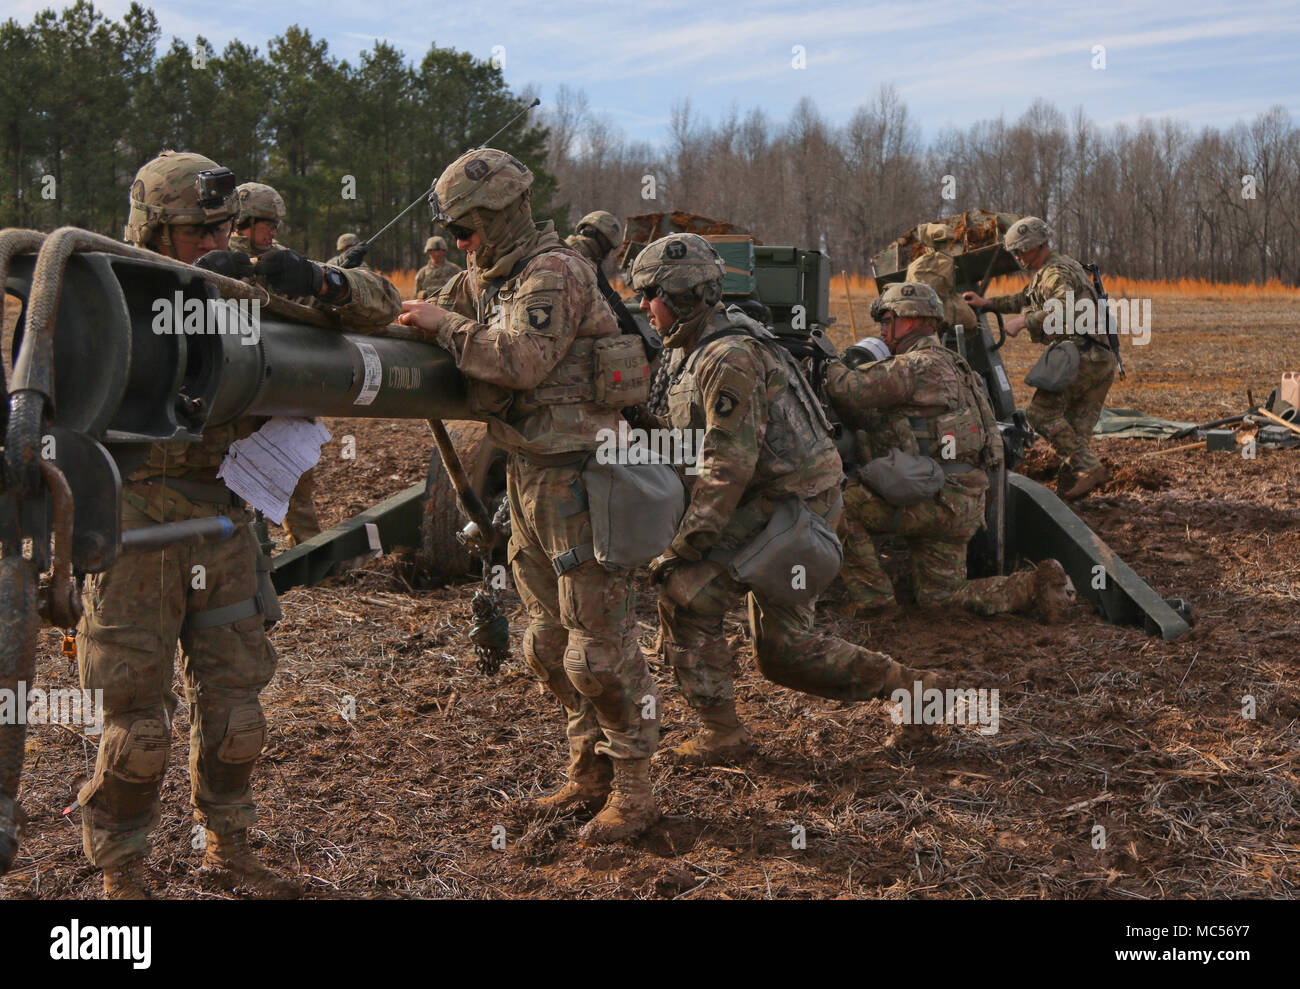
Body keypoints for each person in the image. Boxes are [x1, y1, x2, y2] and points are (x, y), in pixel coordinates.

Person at [77, 151, 398, 899]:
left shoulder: (241, 287)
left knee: (238, 713)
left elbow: (378, 306)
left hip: (223, 522)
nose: (217, 243)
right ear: (154, 230)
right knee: (137, 729)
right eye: (199, 231)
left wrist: (315, 281)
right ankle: (123, 870)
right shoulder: (104, 292)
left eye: (225, 227)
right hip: (136, 531)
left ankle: (230, 843)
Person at [388, 149, 660, 844]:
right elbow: (420, 314)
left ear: (501, 217)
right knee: (547, 644)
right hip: (531, 474)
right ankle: (588, 768)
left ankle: (636, 789)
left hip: (583, 478)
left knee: (600, 651)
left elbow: (518, 360)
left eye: (469, 231)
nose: (460, 246)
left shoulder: (553, 272)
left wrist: (443, 327)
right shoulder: (492, 274)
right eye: (455, 234)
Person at [626, 234, 948, 764]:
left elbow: (727, 467)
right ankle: (916, 690)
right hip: (781, 495)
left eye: (651, 294)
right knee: (785, 654)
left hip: (789, 504)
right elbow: (696, 434)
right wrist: (641, 423)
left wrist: (683, 547)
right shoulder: (696, 346)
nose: (643, 306)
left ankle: (721, 735)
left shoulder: (727, 355)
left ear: (682, 296)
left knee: (686, 595)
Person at [822, 281, 1071, 620]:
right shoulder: (957, 366)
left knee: (840, 505)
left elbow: (847, 389)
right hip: (963, 505)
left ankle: (874, 602)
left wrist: (825, 357)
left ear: (908, 320)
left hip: (932, 503)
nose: (881, 330)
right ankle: (1033, 587)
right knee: (941, 598)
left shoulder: (915, 366)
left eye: (886, 321)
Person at [962, 217, 1116, 499]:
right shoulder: (1057, 268)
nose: (1019, 258)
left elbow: (1064, 310)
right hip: (1101, 358)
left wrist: (1023, 323)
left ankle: (1090, 469)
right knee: (1075, 432)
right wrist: (987, 304)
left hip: (1083, 355)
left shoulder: (1055, 274)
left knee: (1040, 414)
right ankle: (1072, 498)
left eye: (1021, 251)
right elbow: (1026, 297)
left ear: (1036, 246)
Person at [230, 181, 321, 546]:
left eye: (276, 225)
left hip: (284, 378)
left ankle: (308, 547)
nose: (273, 231)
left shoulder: (282, 258)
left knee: (298, 468)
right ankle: (246, 549)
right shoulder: (221, 259)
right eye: (267, 223)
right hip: (240, 381)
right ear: (243, 221)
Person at [413, 235, 462, 300]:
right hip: (428, 308)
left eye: (439, 250)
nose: (437, 254)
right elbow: (416, 295)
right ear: (428, 252)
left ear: (444, 251)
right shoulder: (422, 273)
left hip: (449, 308)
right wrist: (422, 295)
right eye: (433, 251)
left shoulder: (455, 270)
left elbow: (462, 292)